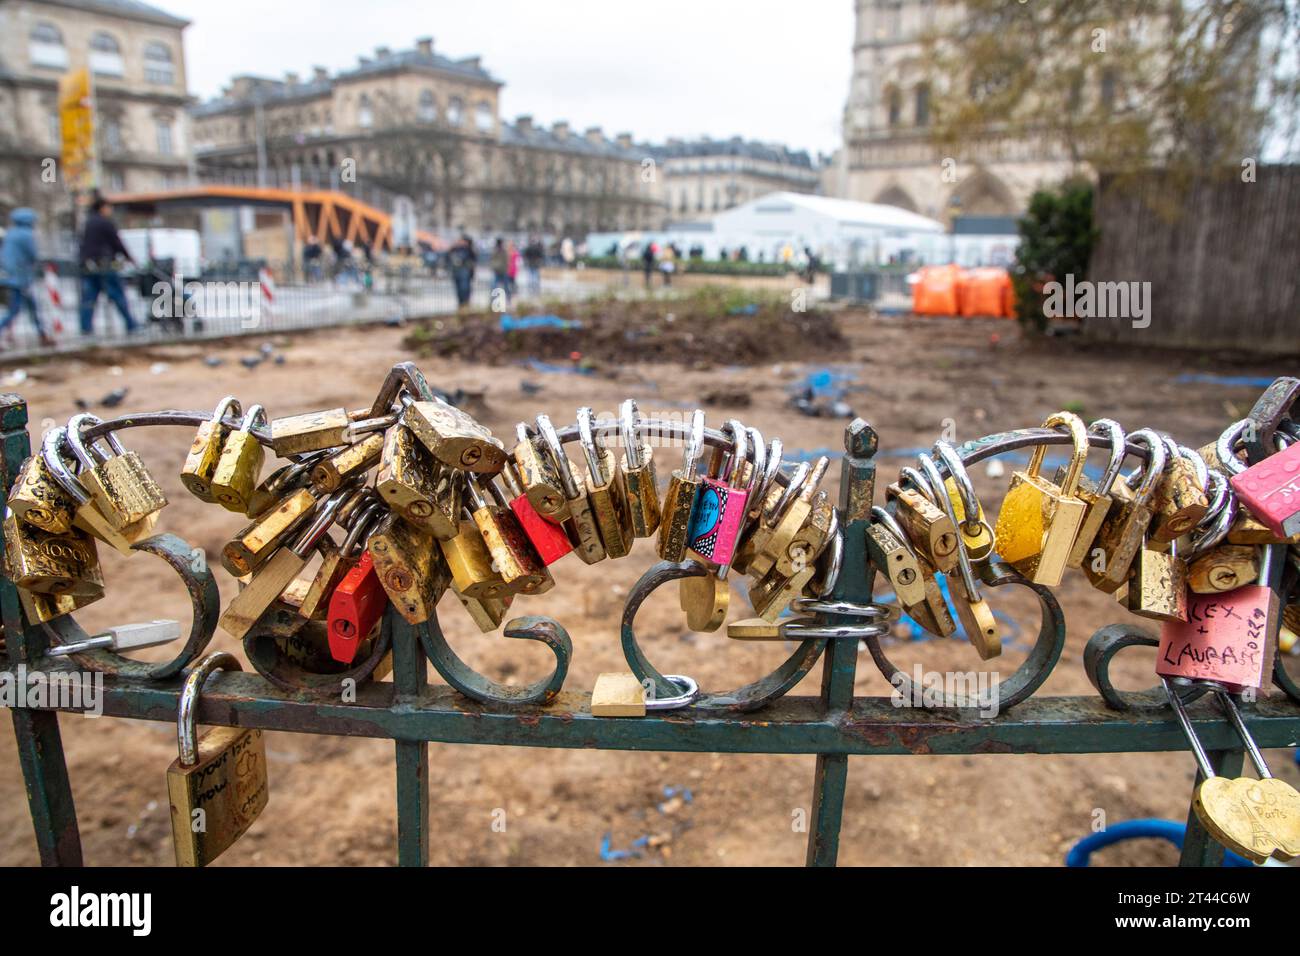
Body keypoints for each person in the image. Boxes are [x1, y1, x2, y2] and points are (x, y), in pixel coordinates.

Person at [77, 195, 138, 336]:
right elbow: (116, 242)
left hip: (88, 265)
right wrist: (129, 257)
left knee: (89, 298)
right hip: (105, 264)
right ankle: (131, 324)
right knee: (117, 294)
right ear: (103, 208)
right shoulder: (105, 223)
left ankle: (86, 328)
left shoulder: (87, 223)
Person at [0, 208, 54, 347]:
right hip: (20, 277)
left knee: (30, 307)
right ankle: (43, 334)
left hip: (12, 276)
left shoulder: (11, 233)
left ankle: (43, 334)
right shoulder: (26, 235)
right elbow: (33, 255)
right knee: (16, 309)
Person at [448, 233, 477, 308]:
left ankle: (465, 304)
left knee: (465, 289)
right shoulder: (456, 248)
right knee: (459, 290)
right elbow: (449, 254)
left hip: (465, 273)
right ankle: (461, 304)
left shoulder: (469, 250)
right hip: (456, 272)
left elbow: (472, 258)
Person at [489, 238, 511, 309]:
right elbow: (492, 260)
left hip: (503, 271)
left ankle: (508, 299)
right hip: (497, 271)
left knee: (505, 286)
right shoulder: (496, 251)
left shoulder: (503, 251)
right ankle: (494, 300)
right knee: (495, 286)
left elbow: (507, 260)